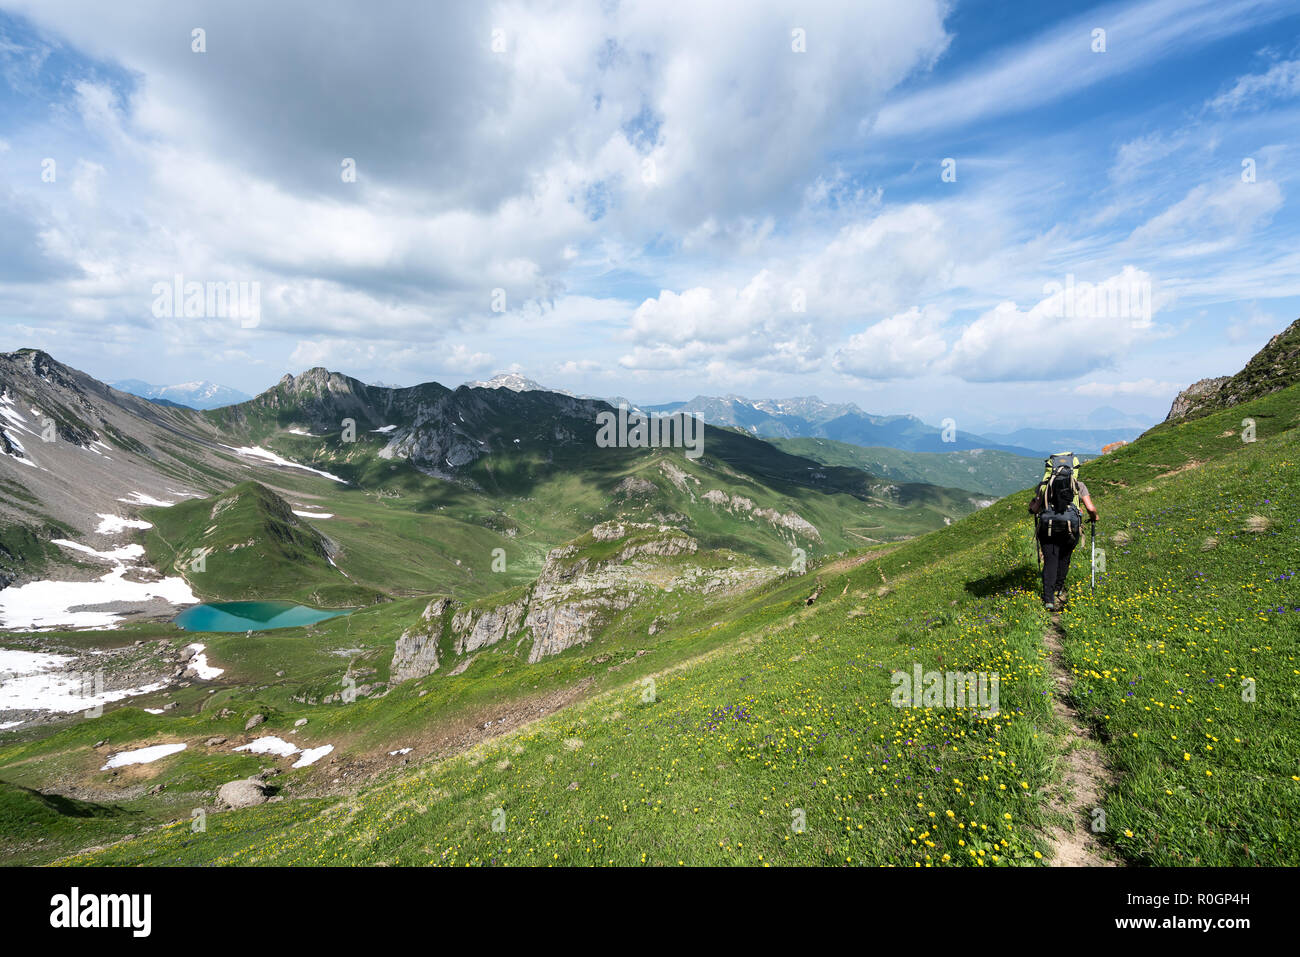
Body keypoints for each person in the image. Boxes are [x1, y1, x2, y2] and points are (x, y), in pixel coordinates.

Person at [1030, 454, 1098, 612]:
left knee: (1050, 560)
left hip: (1047, 528)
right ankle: (1059, 588)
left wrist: (1033, 506)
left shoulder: (1043, 485)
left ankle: (1049, 600)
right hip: (1070, 528)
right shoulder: (1079, 485)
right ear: (1073, 469)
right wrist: (1095, 517)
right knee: (1064, 558)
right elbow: (1090, 508)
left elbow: (1034, 508)